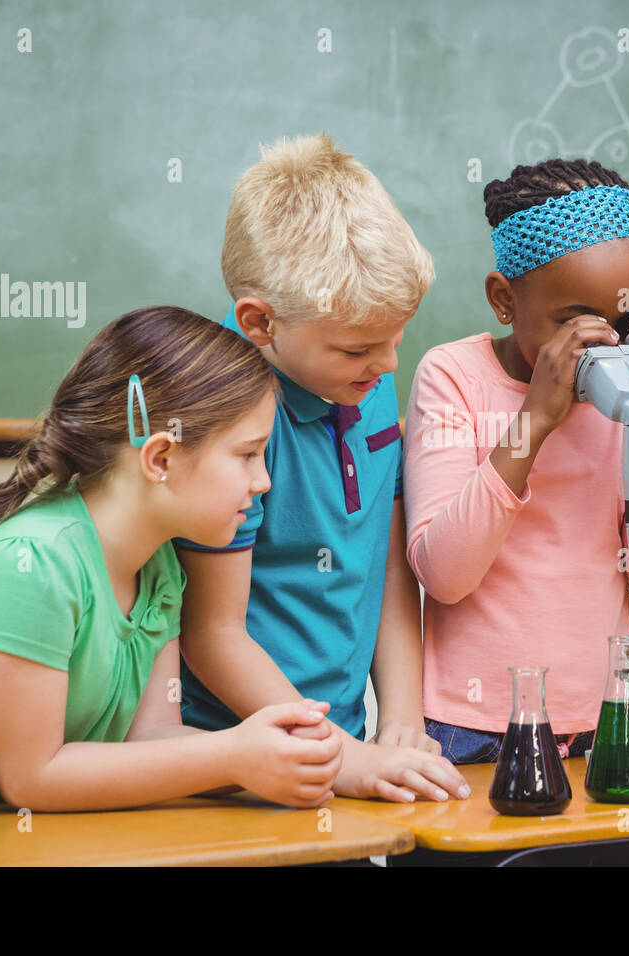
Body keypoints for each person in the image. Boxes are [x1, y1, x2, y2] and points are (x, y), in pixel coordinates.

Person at [0, 307, 344, 811]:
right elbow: (34, 778)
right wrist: (233, 756)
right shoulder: (30, 565)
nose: (264, 481)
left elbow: (150, 737)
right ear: (160, 458)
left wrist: (273, 757)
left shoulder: (159, 567)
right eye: (248, 454)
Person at [174, 133, 469, 803]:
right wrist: (339, 758)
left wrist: (399, 721)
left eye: (400, 338)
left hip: (348, 752)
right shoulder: (223, 416)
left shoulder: (364, 375)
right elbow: (211, 630)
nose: (392, 364)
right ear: (260, 322)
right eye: (362, 347)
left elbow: (387, 569)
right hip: (237, 773)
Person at [403, 158, 629, 764]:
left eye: (625, 320)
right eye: (576, 322)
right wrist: (536, 419)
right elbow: (444, 574)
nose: (606, 343)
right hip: (472, 728)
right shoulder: (453, 377)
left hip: (605, 719)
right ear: (504, 299)